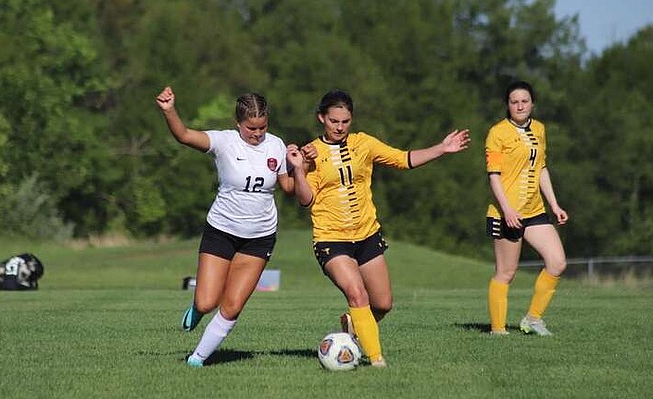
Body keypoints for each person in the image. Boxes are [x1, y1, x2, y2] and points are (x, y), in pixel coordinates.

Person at [287, 90, 470, 367]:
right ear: (321, 118)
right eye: (334, 121)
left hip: (367, 235)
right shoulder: (311, 152)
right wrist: (300, 169)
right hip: (331, 239)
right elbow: (305, 200)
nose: (339, 127)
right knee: (357, 294)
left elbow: (402, 159)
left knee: (382, 304)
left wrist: (441, 148)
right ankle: (376, 359)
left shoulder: (364, 143)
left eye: (345, 121)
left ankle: (353, 323)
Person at [155, 86, 309, 367]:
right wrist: (169, 110)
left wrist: (301, 168)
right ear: (238, 123)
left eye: (262, 127)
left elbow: (287, 186)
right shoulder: (224, 142)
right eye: (251, 128)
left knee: (233, 305)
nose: (258, 133)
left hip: (259, 238)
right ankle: (197, 310)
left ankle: (197, 359)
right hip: (222, 232)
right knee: (205, 302)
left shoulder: (276, 145)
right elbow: (184, 135)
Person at [485, 80, 568, 336]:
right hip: (507, 212)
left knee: (557, 263)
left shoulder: (540, 129)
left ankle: (533, 319)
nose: (519, 105)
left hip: (535, 210)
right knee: (506, 273)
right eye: (514, 102)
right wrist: (507, 210)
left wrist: (554, 204)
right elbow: (494, 175)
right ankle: (498, 330)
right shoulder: (497, 133)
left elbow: (541, 168)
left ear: (532, 103)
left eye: (524, 101)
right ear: (507, 106)